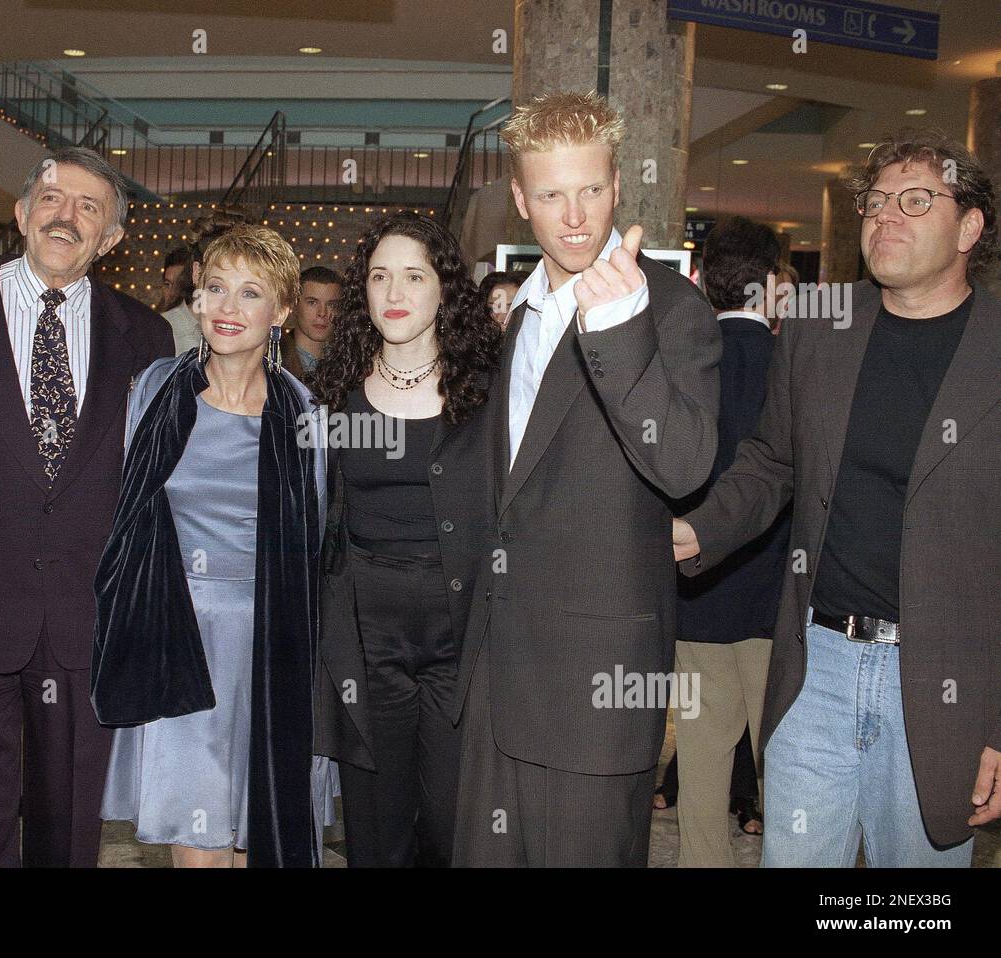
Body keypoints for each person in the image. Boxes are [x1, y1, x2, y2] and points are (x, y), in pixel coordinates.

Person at [673, 130, 1001, 866]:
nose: (887, 216)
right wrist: (698, 530)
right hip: (815, 662)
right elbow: (772, 461)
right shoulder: (823, 327)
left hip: (943, 685)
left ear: (969, 226)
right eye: (876, 201)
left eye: (916, 200)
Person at [450, 90, 721, 867]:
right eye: (550, 195)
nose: (575, 217)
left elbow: (684, 464)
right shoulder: (520, 314)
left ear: (616, 187)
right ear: (518, 200)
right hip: (496, 681)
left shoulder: (669, 310)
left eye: (592, 191)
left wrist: (618, 332)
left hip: (596, 690)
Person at [0, 146, 173, 867]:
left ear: (111, 238)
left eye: (89, 208)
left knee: (72, 825)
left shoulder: (146, 335)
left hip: (86, 621)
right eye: (51, 198)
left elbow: (157, 485)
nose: (65, 216)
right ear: (21, 213)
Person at [95, 224, 332, 868]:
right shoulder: (153, 390)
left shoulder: (304, 412)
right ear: (196, 298)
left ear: (281, 311)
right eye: (215, 288)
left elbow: (317, 546)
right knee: (196, 838)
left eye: (250, 293)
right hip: (175, 633)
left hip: (270, 640)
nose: (228, 309)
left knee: (252, 832)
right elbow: (121, 515)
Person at [311, 211, 501, 867]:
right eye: (379, 276)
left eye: (413, 277)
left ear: (444, 288)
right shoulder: (332, 394)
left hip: (462, 646)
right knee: (375, 826)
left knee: (452, 827)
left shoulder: (488, 393)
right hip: (366, 648)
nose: (394, 293)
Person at [670, 216, 791, 866]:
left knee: (701, 767)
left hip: (697, 595)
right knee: (787, 773)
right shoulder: (793, 365)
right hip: (776, 606)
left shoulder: (685, 368)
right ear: (771, 284)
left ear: (704, 282)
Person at [281, 265, 342, 380]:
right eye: (312, 303)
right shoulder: (274, 362)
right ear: (294, 305)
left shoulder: (348, 364)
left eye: (332, 305)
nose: (322, 313)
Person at [157, 245, 198, 354]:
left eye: (179, 285)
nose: (172, 292)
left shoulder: (208, 326)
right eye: (167, 284)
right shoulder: (159, 325)